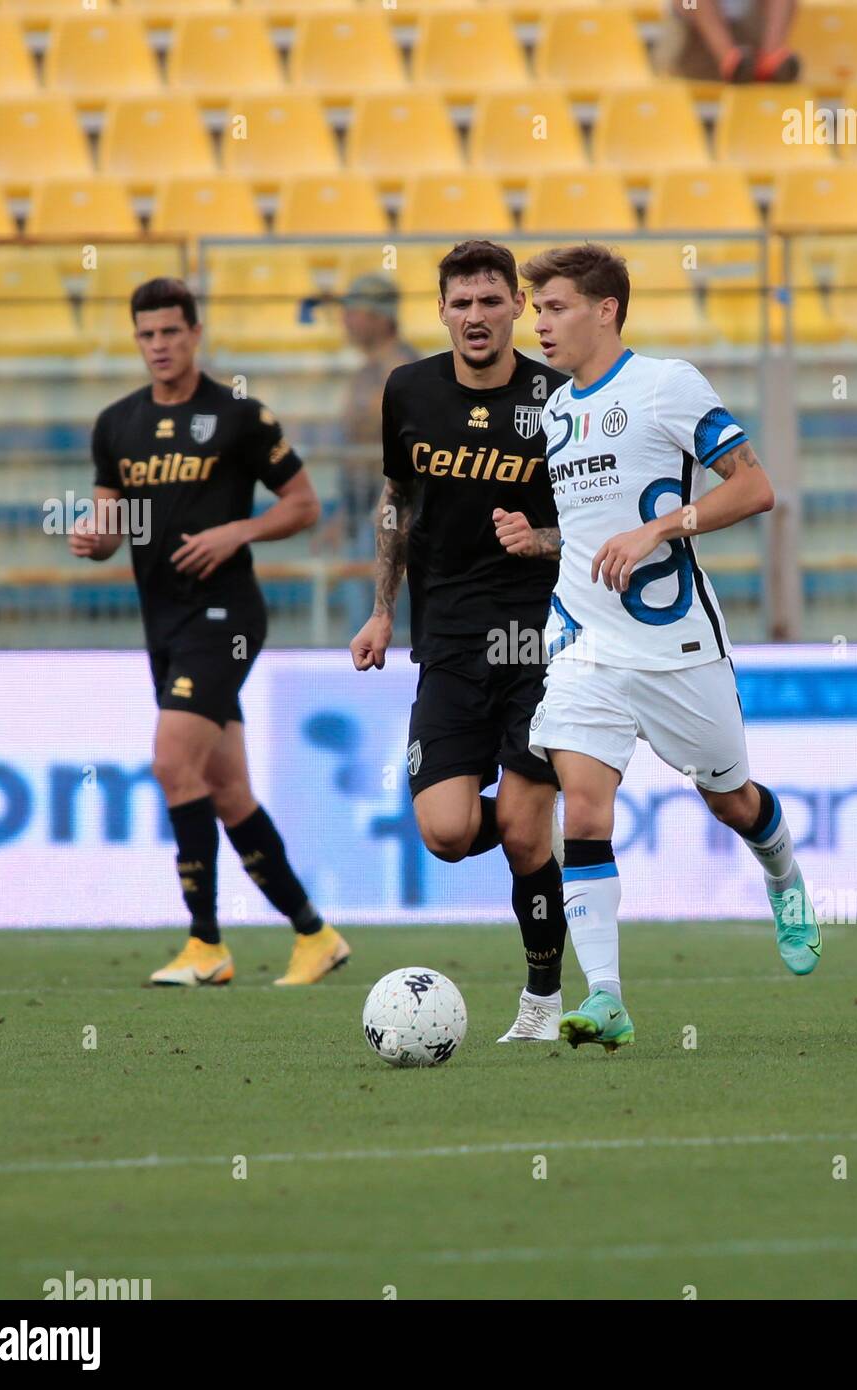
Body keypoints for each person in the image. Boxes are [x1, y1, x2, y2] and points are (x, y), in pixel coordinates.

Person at [496, 243, 820, 1054]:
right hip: (585, 644)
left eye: (556, 306)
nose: (540, 323)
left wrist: (659, 528)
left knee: (730, 799)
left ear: (606, 310)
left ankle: (782, 873)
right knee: (586, 808)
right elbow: (591, 529)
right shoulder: (557, 411)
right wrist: (539, 541)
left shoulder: (667, 384)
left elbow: (755, 487)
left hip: (678, 646)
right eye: (537, 309)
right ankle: (606, 997)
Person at [70, 277, 348, 987]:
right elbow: (110, 522)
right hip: (162, 622)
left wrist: (237, 531)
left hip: (224, 616)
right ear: (136, 340)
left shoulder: (239, 416)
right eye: (146, 334)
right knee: (226, 790)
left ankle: (206, 944)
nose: (159, 345)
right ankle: (315, 936)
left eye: (170, 332)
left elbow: (305, 504)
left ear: (195, 334)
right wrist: (93, 537)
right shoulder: (116, 425)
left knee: (170, 763)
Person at [348, 241, 571, 1042]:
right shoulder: (407, 389)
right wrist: (381, 610)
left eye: (490, 301)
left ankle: (543, 1000)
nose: (475, 317)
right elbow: (396, 502)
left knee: (518, 832)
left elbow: (596, 519)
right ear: (441, 310)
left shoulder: (559, 396)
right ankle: (543, 835)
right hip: (444, 638)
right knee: (445, 833)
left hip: (544, 641)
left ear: (516, 304)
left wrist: (539, 537)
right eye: (460, 304)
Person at [316, 273, 418, 555]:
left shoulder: (403, 371)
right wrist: (343, 515)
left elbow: (396, 453)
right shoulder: (366, 372)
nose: (345, 321)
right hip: (363, 513)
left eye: (353, 312)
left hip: (393, 516)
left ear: (380, 318)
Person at [656, 0, 800, 84]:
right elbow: (688, 6)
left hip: (745, 37)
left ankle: (770, 59)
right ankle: (732, 62)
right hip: (692, 42)